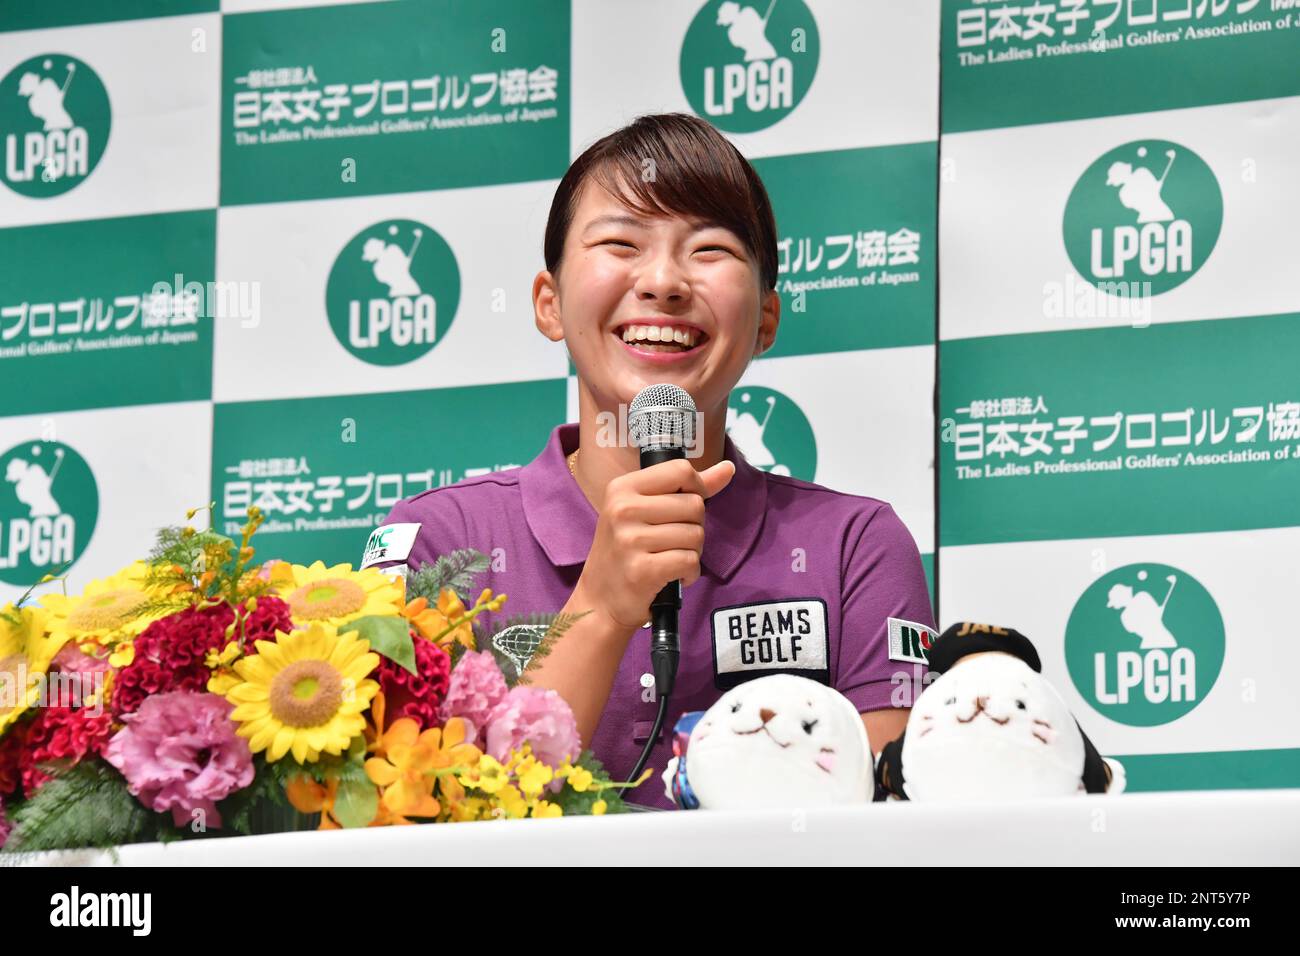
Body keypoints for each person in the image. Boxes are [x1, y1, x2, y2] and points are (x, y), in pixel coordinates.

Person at [364, 112, 935, 808]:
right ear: (549, 304)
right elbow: (410, 818)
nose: (663, 281)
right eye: (619, 242)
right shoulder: (441, 540)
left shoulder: (856, 548)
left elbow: (891, 830)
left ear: (765, 320)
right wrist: (601, 609)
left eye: (709, 249)